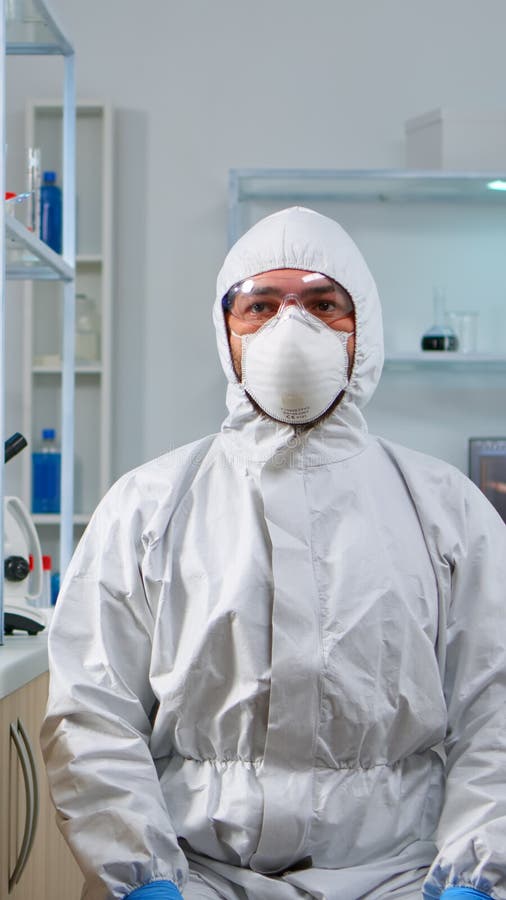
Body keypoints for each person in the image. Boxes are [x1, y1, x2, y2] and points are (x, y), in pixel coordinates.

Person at [41, 207, 506, 900]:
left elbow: (493, 707)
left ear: (363, 331)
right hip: (194, 874)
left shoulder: (444, 508)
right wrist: (142, 878)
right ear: (226, 334)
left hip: (404, 877)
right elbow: (92, 710)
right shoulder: (148, 505)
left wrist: (473, 873)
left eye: (324, 305)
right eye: (261, 305)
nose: (293, 329)